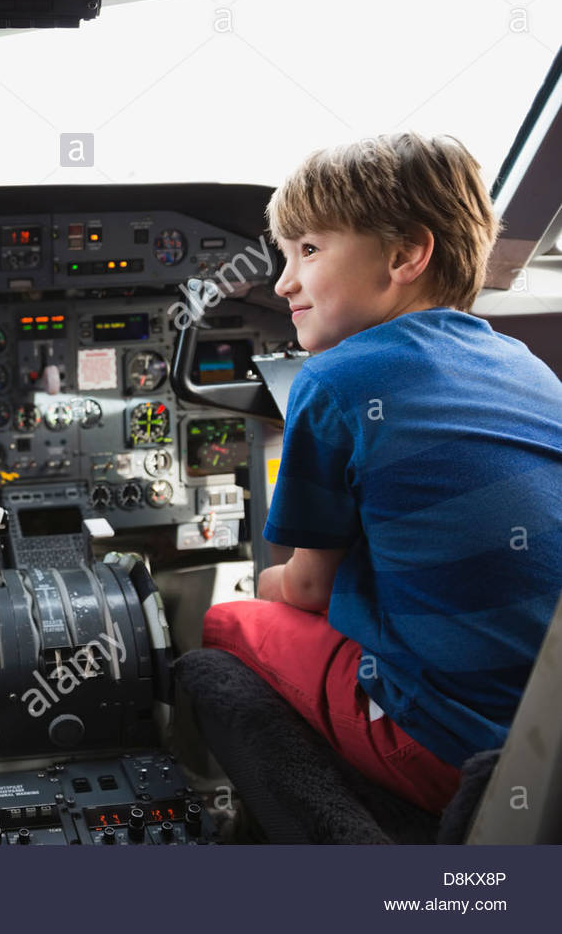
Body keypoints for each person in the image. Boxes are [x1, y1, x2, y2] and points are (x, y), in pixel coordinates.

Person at [202, 134, 562, 813]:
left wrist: (263, 580)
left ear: (405, 254)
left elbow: (308, 587)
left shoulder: (336, 378)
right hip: (548, 747)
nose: (282, 283)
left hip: (451, 752)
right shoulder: (530, 368)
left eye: (308, 250)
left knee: (229, 619)